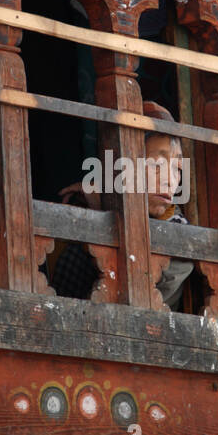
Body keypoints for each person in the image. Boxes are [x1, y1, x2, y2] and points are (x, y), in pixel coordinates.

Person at [49, 101, 194, 308]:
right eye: (157, 164)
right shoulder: (84, 213)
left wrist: (102, 213)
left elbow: (138, 302)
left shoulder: (181, 237)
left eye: (177, 168)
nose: (170, 181)